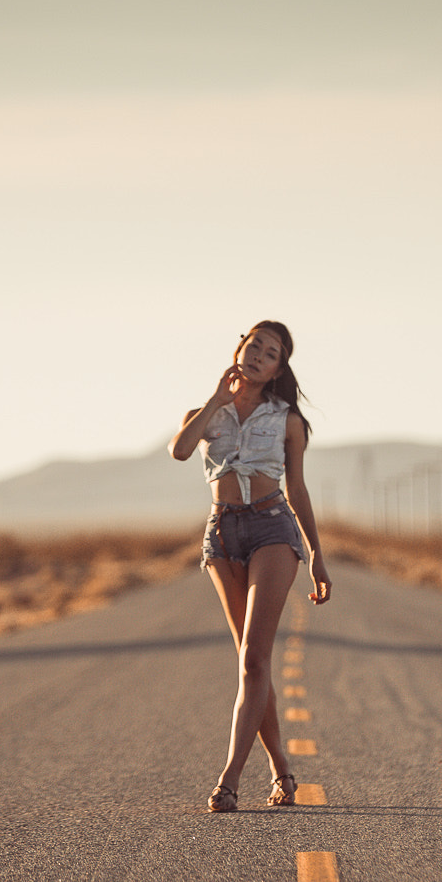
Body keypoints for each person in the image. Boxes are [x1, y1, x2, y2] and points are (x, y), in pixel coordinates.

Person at [169, 320, 332, 813]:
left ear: (279, 368)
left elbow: (298, 490)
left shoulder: (288, 421)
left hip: (271, 531)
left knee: (255, 660)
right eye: (254, 345)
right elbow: (180, 450)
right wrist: (217, 399)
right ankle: (283, 770)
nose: (260, 354)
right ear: (239, 349)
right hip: (222, 534)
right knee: (251, 663)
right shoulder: (205, 414)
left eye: (272, 352)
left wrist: (317, 556)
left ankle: (229, 779)